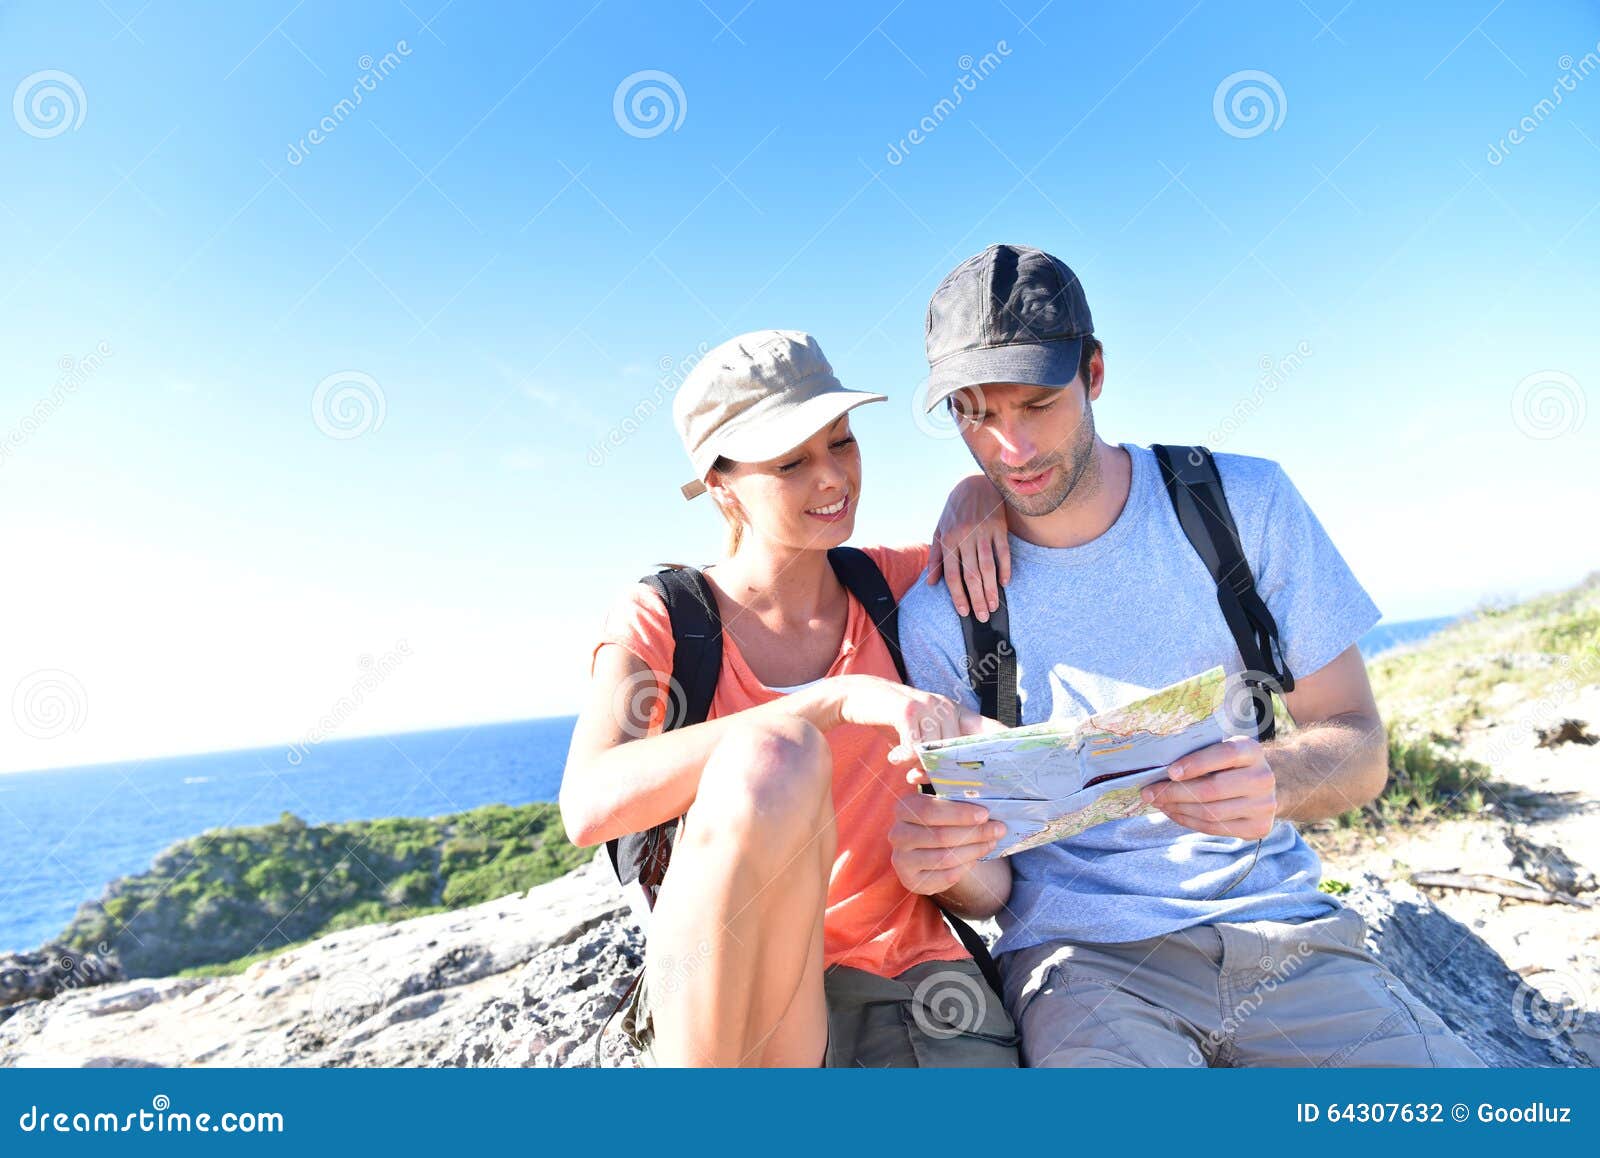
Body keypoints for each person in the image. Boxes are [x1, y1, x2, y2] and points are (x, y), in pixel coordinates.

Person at [891, 244, 1482, 1068]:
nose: (1011, 448)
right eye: (975, 414)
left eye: (1036, 403)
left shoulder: (1244, 504)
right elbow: (991, 885)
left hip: (1287, 940)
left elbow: (1360, 746)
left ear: (1094, 372)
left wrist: (1273, 780)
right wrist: (943, 865)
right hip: (1085, 970)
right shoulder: (938, 616)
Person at [560, 329, 1019, 1067]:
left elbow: (1034, 525)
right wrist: (832, 700)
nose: (833, 477)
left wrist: (976, 495)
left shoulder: (895, 585)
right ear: (720, 484)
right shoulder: (667, 618)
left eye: (841, 442)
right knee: (774, 754)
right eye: (792, 462)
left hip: (912, 978)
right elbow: (588, 804)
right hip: (731, 978)